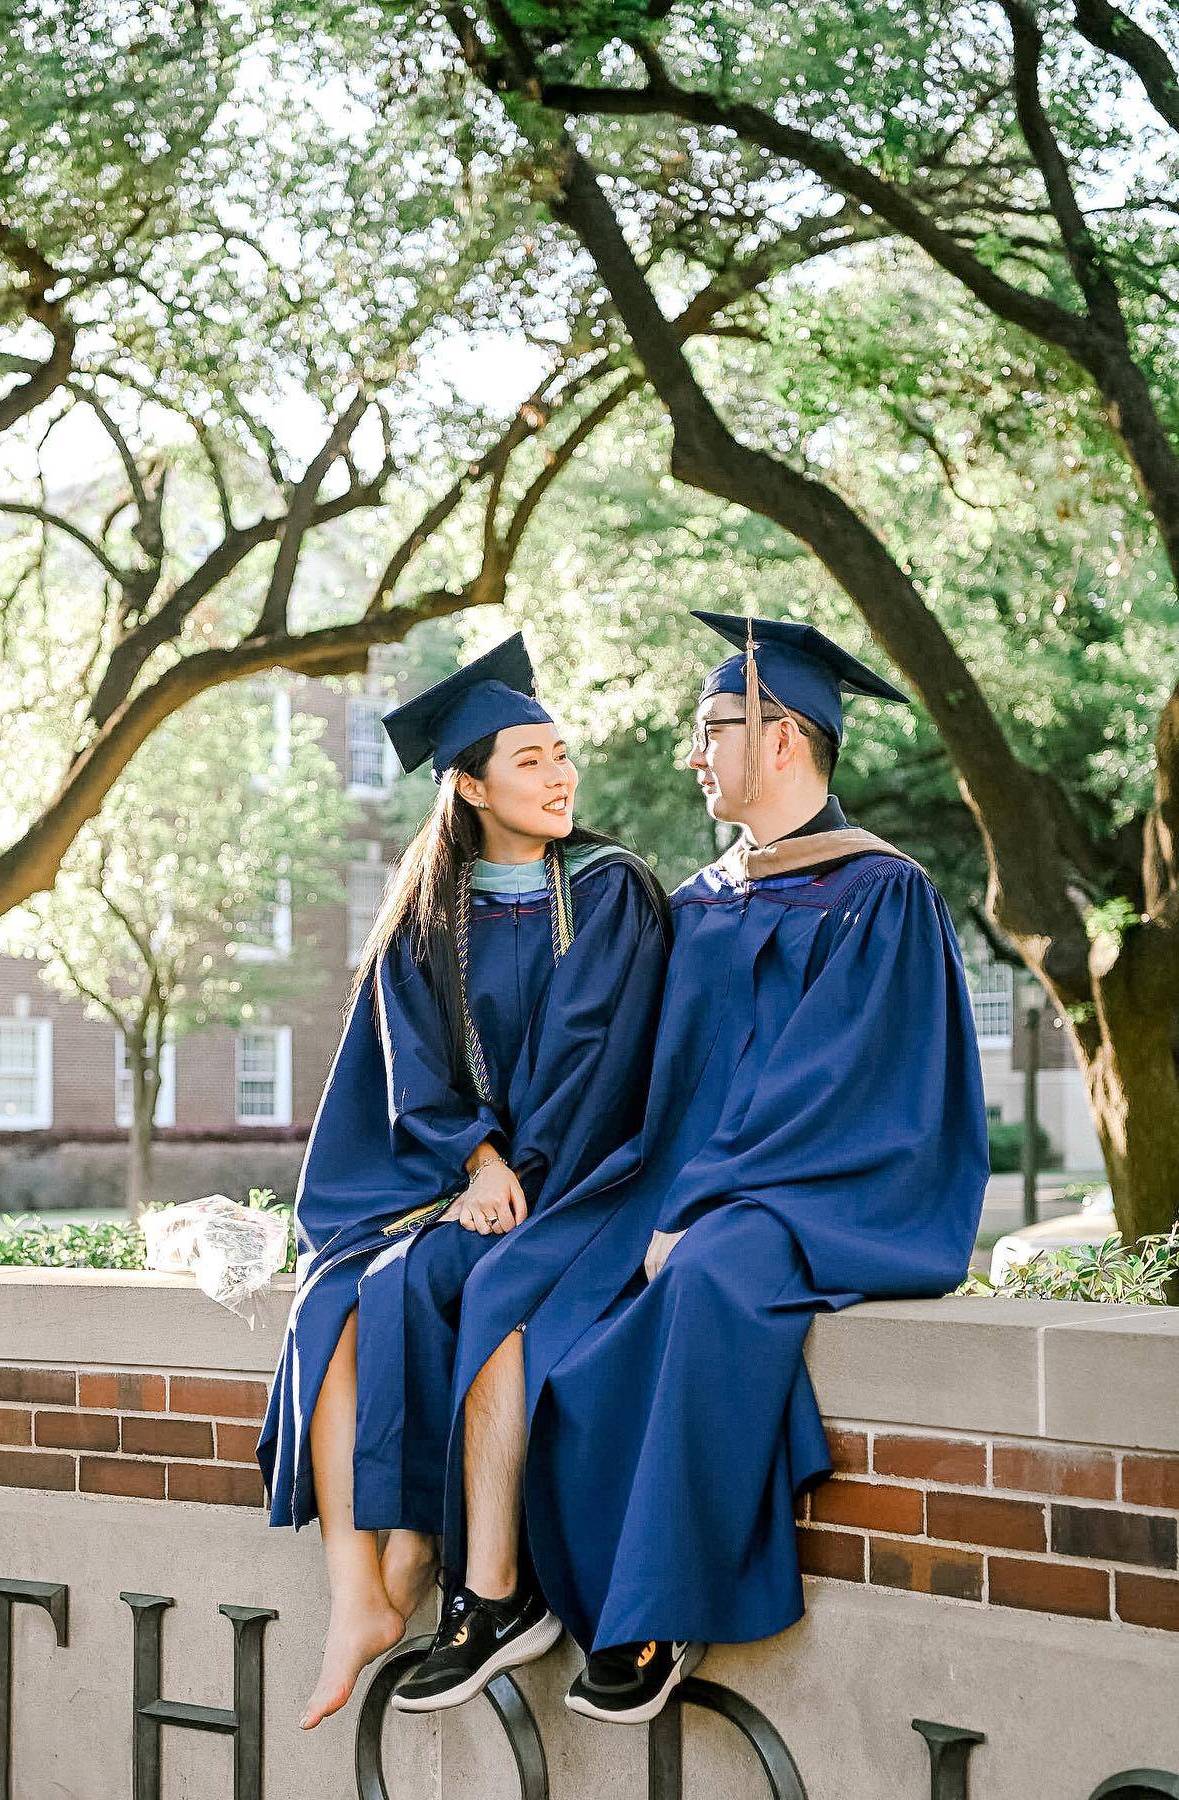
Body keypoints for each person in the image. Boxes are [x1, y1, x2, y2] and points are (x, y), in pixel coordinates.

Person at [393, 611, 989, 1725]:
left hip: (816, 1186)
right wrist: (499, 1159)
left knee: (709, 1276)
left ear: (780, 740)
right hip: (673, 1178)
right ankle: (496, 1591)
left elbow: (839, 1087)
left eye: (711, 729)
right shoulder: (697, 901)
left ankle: (658, 1611)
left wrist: (707, 1196)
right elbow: (618, 1069)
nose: (693, 751)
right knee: (520, 1276)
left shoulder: (879, 894)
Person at [255, 633, 671, 1730]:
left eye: (562, 753)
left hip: (590, 1174)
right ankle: (364, 1590)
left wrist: (511, 1172)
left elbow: (598, 1061)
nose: (559, 774)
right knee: (336, 1296)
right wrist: (473, 1161)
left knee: (415, 1286)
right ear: (471, 784)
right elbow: (410, 1070)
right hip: (478, 1178)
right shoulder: (428, 914)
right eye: (531, 760)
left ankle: (415, 1569)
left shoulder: (610, 891)